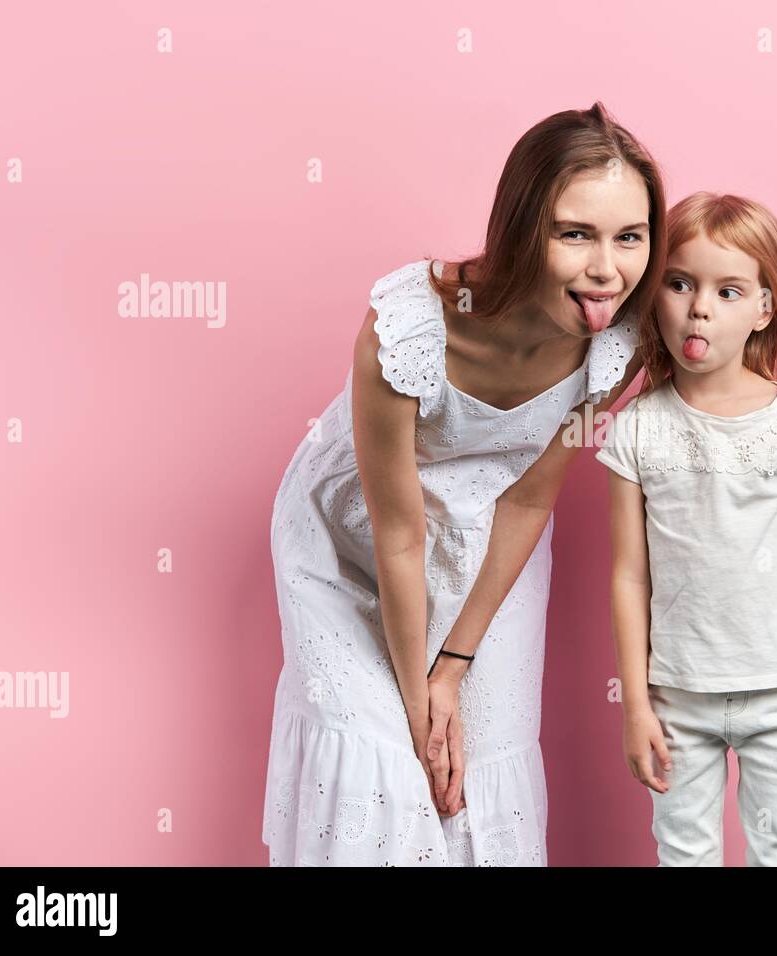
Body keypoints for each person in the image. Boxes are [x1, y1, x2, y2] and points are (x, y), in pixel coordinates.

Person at [263, 103, 667, 865]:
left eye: (630, 237)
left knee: (480, 774)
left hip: (492, 536)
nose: (607, 268)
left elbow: (528, 498)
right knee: (390, 764)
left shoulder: (617, 337)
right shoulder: (409, 327)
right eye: (574, 233)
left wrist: (453, 666)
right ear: (521, 228)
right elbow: (399, 533)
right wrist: (421, 707)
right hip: (357, 534)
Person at [596, 192, 777, 866]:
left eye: (727, 290)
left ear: (764, 309)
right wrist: (636, 705)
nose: (698, 306)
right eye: (679, 283)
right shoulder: (638, 427)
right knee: (683, 856)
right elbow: (628, 573)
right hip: (678, 695)